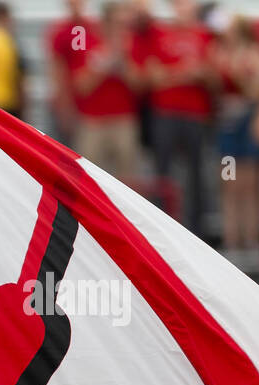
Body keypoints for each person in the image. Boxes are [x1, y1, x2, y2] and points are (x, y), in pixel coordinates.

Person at [137, 0, 217, 235]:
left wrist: (198, 73)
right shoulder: (159, 33)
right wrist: (186, 73)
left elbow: (214, 77)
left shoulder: (204, 35)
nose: (183, 8)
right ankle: (161, 229)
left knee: (197, 174)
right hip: (165, 113)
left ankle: (196, 231)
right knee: (163, 172)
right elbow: (152, 76)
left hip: (195, 115)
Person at [214, 16, 259, 254]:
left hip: (248, 120)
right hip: (228, 122)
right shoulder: (220, 53)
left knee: (249, 182)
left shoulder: (256, 54)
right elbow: (214, 86)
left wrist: (242, 73)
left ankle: (252, 237)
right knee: (230, 181)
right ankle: (232, 236)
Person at [72, 2, 143, 182]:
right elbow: (81, 85)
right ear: (105, 22)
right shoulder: (85, 40)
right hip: (93, 122)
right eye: (116, 23)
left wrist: (123, 63)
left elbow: (140, 85)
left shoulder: (132, 42)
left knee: (127, 178)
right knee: (88, 178)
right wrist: (103, 64)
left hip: (124, 120)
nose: (120, 28)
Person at [46, 0, 100, 145]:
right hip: (70, 101)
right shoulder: (61, 31)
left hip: (87, 105)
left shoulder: (91, 28)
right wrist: (64, 104)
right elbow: (57, 68)